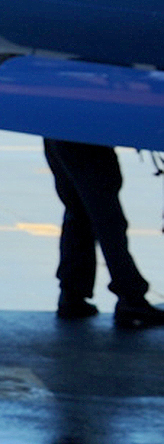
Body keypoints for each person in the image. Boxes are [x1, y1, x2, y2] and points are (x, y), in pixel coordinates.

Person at [42, 139, 164, 329]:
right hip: (84, 134)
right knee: (106, 217)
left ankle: (72, 293)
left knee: (79, 210)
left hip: (56, 132)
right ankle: (130, 297)